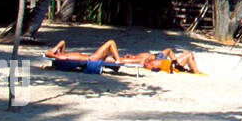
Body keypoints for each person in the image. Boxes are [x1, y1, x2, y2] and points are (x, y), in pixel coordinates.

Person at [46, 41, 202, 74]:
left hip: (92, 57)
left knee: (110, 56)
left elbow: (62, 43)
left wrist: (59, 51)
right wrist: (55, 52)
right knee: (111, 43)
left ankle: (117, 60)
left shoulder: (63, 54)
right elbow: (49, 53)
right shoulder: (60, 56)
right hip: (91, 58)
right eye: (56, 51)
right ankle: (118, 60)